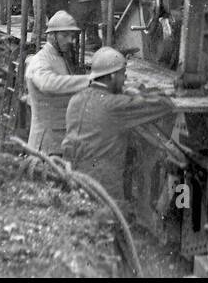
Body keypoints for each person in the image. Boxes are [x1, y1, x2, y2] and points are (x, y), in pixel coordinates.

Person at [62, 47, 175, 201]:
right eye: (123, 75)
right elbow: (164, 104)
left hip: (73, 176)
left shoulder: (76, 99)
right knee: (108, 221)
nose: (125, 81)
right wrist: (137, 92)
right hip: (102, 184)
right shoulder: (114, 106)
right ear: (113, 76)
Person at [24, 11, 91, 154]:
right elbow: (48, 83)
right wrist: (90, 80)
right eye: (65, 36)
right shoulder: (40, 60)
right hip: (46, 146)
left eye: (72, 36)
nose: (70, 41)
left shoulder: (60, 58)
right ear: (51, 36)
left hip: (59, 142)